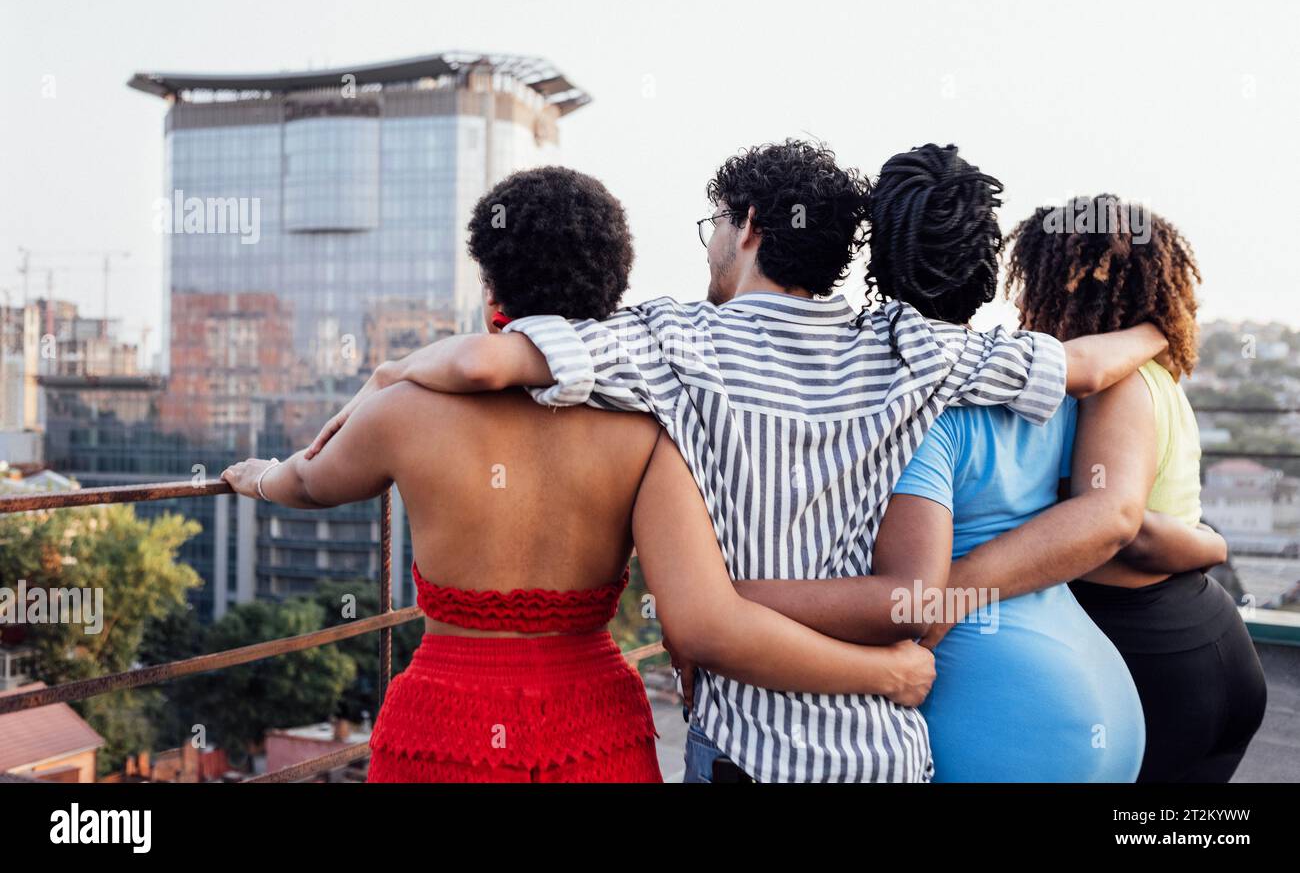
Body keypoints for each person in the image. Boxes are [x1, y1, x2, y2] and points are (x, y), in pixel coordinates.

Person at [308, 140, 1168, 782]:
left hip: (753, 746)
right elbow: (1087, 367)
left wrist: (389, 373)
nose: (710, 244)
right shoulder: (908, 344)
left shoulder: (672, 338)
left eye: (714, 225)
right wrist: (1160, 326)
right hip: (884, 749)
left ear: (750, 228)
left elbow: (487, 364)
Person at [223, 166, 936, 783]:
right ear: (610, 285)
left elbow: (308, 481)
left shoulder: (404, 410)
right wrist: (885, 673)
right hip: (593, 721)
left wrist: (257, 474)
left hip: (446, 722)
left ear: (490, 278)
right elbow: (702, 617)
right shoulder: (648, 424)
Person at [714, 145, 1151, 780]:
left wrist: (717, 605)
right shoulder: (1041, 376)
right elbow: (1113, 514)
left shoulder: (909, 404)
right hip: (1102, 693)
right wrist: (1152, 331)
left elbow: (908, 598)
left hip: (995, 710)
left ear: (875, 252)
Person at [1008, 195, 1268, 782]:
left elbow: (1126, 528)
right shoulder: (1159, 381)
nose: (1023, 302)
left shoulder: (1115, 388)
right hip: (1203, 643)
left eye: (1032, 283)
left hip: (1152, 661)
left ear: (1067, 287)